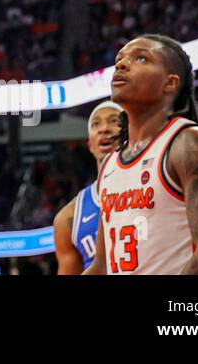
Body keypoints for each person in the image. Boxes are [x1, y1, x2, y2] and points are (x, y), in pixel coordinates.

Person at [83, 35, 198, 275]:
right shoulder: (110, 164)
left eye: (141, 58)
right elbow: (101, 267)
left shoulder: (192, 145)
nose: (121, 65)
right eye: (119, 59)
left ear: (170, 83)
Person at [52, 100, 122, 273]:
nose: (104, 129)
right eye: (96, 124)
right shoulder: (69, 217)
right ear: (90, 144)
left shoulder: (155, 189)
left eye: (115, 122)